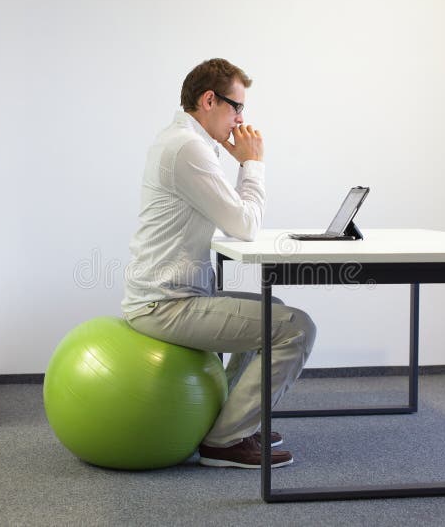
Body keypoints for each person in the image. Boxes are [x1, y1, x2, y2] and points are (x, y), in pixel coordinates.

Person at [121, 58, 316, 469]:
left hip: (170, 295)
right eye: (236, 107)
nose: (241, 119)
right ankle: (225, 441)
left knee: (273, 310)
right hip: (165, 304)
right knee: (297, 328)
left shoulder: (188, 143)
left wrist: (238, 163)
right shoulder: (186, 148)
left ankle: (230, 421)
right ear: (209, 100)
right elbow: (245, 224)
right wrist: (252, 162)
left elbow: (233, 218)